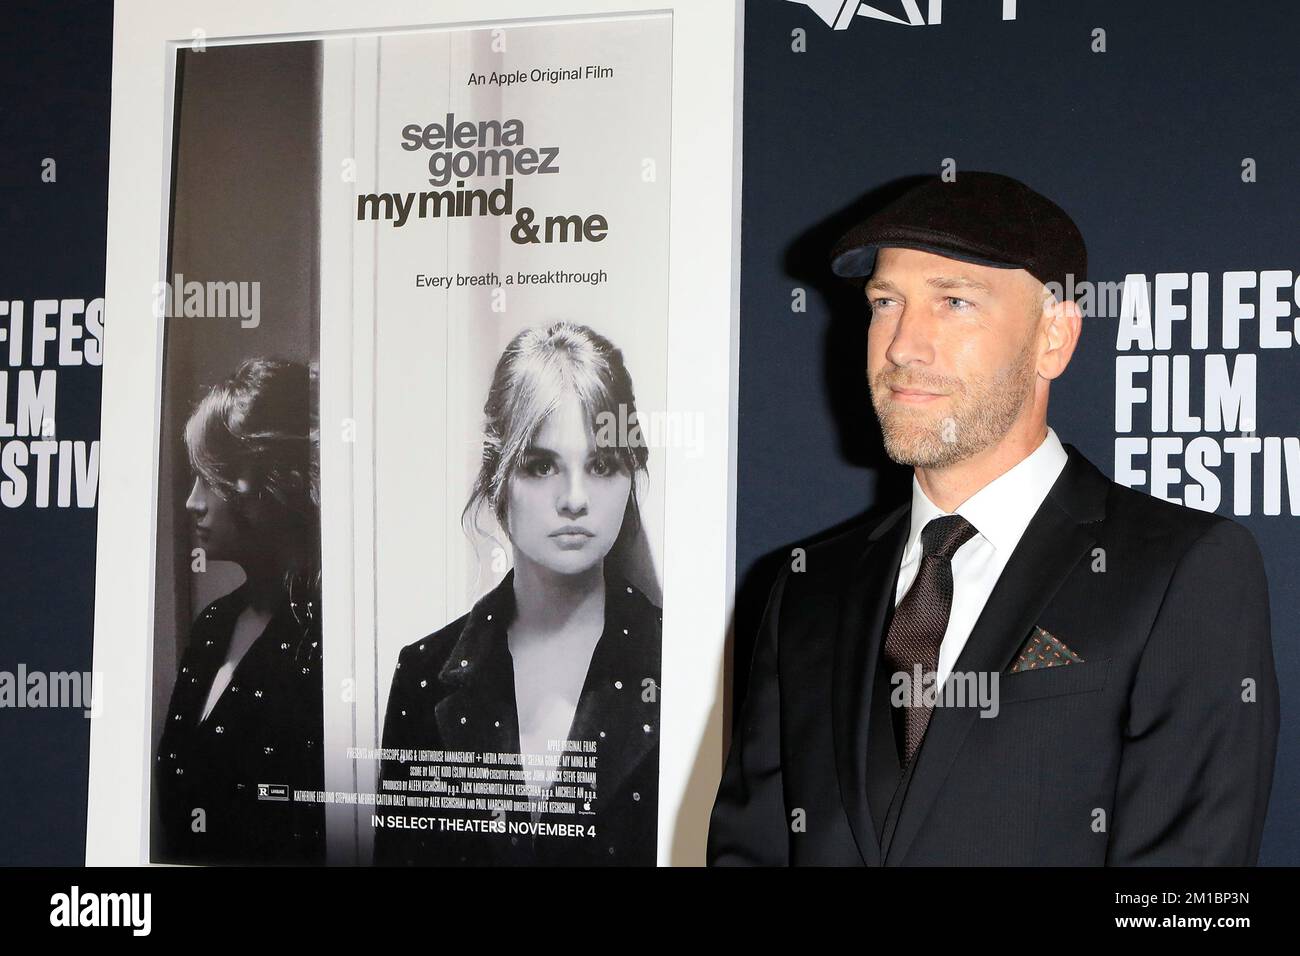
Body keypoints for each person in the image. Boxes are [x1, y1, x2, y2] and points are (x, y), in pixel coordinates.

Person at [708, 171, 1280, 866]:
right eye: (886, 302)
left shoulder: (1181, 570)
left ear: (1054, 338)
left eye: (954, 302)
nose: (903, 347)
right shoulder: (806, 588)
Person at [375, 322, 662, 866]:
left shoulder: (681, 665)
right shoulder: (424, 672)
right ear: (496, 478)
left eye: (601, 464)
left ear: (631, 473)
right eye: (540, 464)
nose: (574, 499)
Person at [154, 357, 325, 865]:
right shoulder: (214, 626)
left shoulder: (326, 636)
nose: (192, 502)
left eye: (209, 478)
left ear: (269, 479)